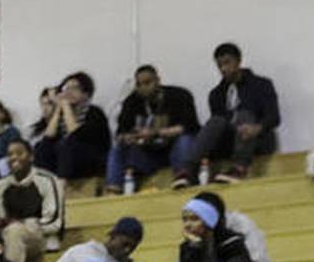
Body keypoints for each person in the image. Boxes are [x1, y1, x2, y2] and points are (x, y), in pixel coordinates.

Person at [192, 42, 280, 184]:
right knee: (215, 121)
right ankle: (190, 168)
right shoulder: (216, 94)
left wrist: (257, 128)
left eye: (227, 63)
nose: (224, 68)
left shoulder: (261, 84)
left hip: (258, 137)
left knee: (244, 115)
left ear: (239, 61)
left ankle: (240, 167)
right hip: (229, 142)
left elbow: (274, 118)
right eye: (220, 65)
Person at [106, 65, 199, 192]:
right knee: (117, 149)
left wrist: (156, 133)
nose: (143, 88)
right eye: (139, 84)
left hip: (174, 150)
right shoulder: (131, 102)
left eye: (147, 82)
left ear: (158, 80)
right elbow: (121, 133)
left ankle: (183, 177)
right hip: (149, 154)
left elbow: (190, 127)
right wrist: (129, 137)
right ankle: (113, 188)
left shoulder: (179, 96)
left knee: (186, 140)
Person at [0, 138, 64, 262]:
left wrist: (26, 224)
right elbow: (2, 218)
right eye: (10, 155)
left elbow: (55, 221)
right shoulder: (1, 185)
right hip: (11, 236)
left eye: (19, 153)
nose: (14, 157)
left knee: (15, 231)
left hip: (42, 236)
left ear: (31, 157)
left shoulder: (47, 180)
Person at [32, 72, 110, 181]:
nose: (69, 92)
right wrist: (59, 109)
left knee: (66, 143)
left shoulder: (93, 112)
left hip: (92, 157)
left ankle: (62, 185)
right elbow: (48, 137)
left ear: (86, 94)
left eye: (75, 88)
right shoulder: (64, 112)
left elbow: (77, 134)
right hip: (67, 158)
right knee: (41, 147)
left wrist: (64, 105)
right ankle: (43, 185)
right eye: (66, 88)